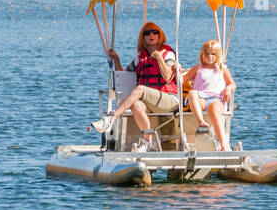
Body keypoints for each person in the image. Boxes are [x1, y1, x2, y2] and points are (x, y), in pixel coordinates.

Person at [91, 22, 181, 150]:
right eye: (147, 33)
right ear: (143, 38)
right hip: (150, 101)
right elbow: (123, 75)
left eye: (155, 32)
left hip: (169, 99)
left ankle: (110, 119)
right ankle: (147, 140)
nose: (151, 35)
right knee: (135, 104)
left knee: (140, 89)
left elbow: (167, 77)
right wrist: (116, 59)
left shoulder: (168, 54)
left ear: (159, 35)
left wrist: (159, 58)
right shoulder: (140, 58)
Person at [183, 40, 236, 152]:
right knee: (192, 93)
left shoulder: (222, 68)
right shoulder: (198, 68)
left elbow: (232, 83)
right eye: (207, 53)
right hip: (200, 97)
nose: (209, 56)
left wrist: (228, 88)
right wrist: (180, 73)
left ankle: (224, 145)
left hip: (216, 98)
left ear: (218, 55)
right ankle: (201, 122)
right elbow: (184, 79)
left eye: (213, 54)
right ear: (202, 54)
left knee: (216, 114)